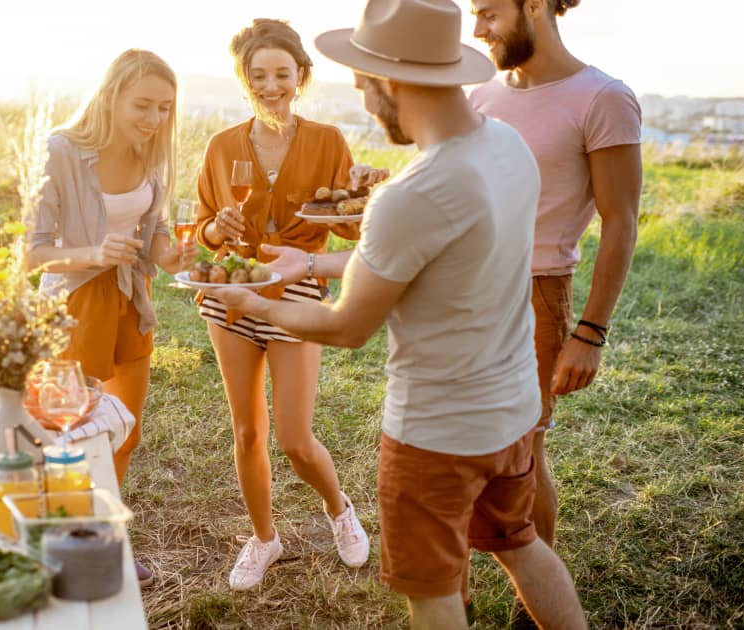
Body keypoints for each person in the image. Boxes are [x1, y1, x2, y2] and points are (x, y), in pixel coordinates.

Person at [207, 1, 587, 627]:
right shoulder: (508, 147)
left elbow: (346, 326)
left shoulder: (413, 192)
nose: (363, 102)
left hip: (436, 436)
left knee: (434, 593)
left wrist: (252, 301)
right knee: (522, 544)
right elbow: (428, 258)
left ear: (390, 80)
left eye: (362, 84)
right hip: (512, 412)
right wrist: (304, 267)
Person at [192, 18, 388, 592]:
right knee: (248, 432)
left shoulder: (327, 140)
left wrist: (365, 195)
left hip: (298, 288)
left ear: (300, 76)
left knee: (294, 439)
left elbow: (353, 230)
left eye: (282, 73)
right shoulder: (222, 145)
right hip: (232, 289)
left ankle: (338, 508)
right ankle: (264, 539)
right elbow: (204, 224)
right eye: (258, 75)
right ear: (244, 79)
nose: (270, 84)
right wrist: (214, 229)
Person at [467, 0, 642, 614]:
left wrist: (590, 331)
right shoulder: (480, 94)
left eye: (488, 12)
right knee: (458, 440)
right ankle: (449, 586)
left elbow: (621, 223)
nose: (477, 28)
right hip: (467, 290)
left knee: (523, 449)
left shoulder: (602, 98)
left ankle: (532, 597)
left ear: (534, 6)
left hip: (537, 292)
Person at [26, 48, 196, 585]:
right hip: (74, 305)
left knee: (126, 432)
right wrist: (95, 252)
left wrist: (169, 255)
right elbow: (31, 253)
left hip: (131, 299)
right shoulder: (60, 150)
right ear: (111, 95)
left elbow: (156, 228)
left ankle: (105, 540)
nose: (153, 119)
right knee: (69, 439)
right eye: (142, 105)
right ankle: (60, 546)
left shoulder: (154, 155)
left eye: (164, 108)